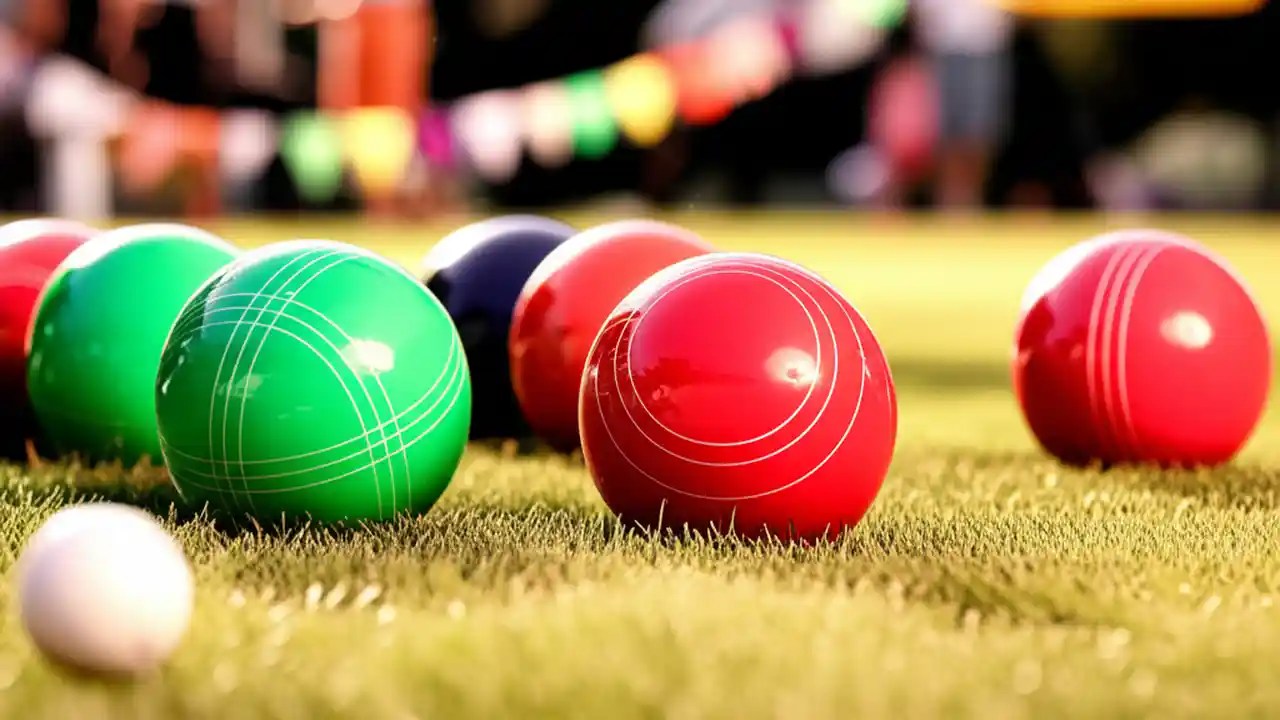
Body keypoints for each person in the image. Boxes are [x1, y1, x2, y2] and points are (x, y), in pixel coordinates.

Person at [911, 0, 1015, 210]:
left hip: (986, 42)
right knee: (942, 128)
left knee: (981, 128)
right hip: (942, 42)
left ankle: (972, 196)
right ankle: (949, 197)